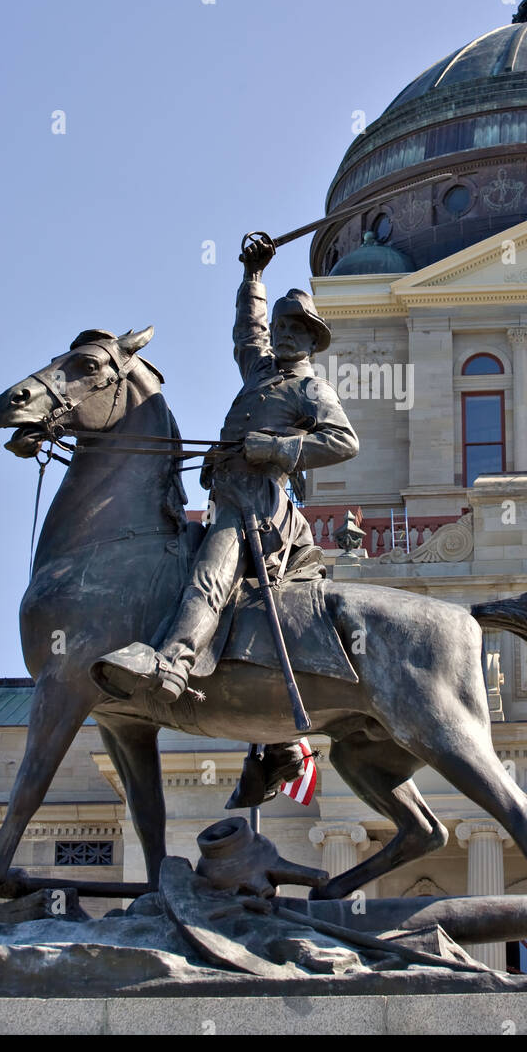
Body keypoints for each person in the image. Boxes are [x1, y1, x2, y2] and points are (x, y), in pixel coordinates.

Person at [98, 234, 359, 801]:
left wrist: (275, 448)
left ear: (312, 339)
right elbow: (249, 329)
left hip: (260, 509)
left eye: (297, 329)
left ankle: (174, 664)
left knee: (212, 570)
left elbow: (343, 442)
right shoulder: (260, 372)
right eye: (284, 325)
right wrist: (254, 276)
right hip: (228, 494)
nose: (285, 333)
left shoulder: (311, 389)